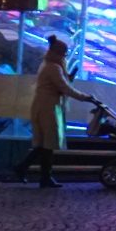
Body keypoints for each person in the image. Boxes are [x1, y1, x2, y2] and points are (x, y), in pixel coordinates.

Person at [15, 36, 92, 188]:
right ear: (59, 53)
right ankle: (38, 174)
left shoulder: (47, 65)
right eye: (64, 54)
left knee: (44, 144)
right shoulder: (54, 67)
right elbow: (65, 88)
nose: (65, 57)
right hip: (48, 108)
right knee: (48, 143)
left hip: (42, 106)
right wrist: (85, 97)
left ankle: (28, 170)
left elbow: (60, 84)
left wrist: (67, 78)